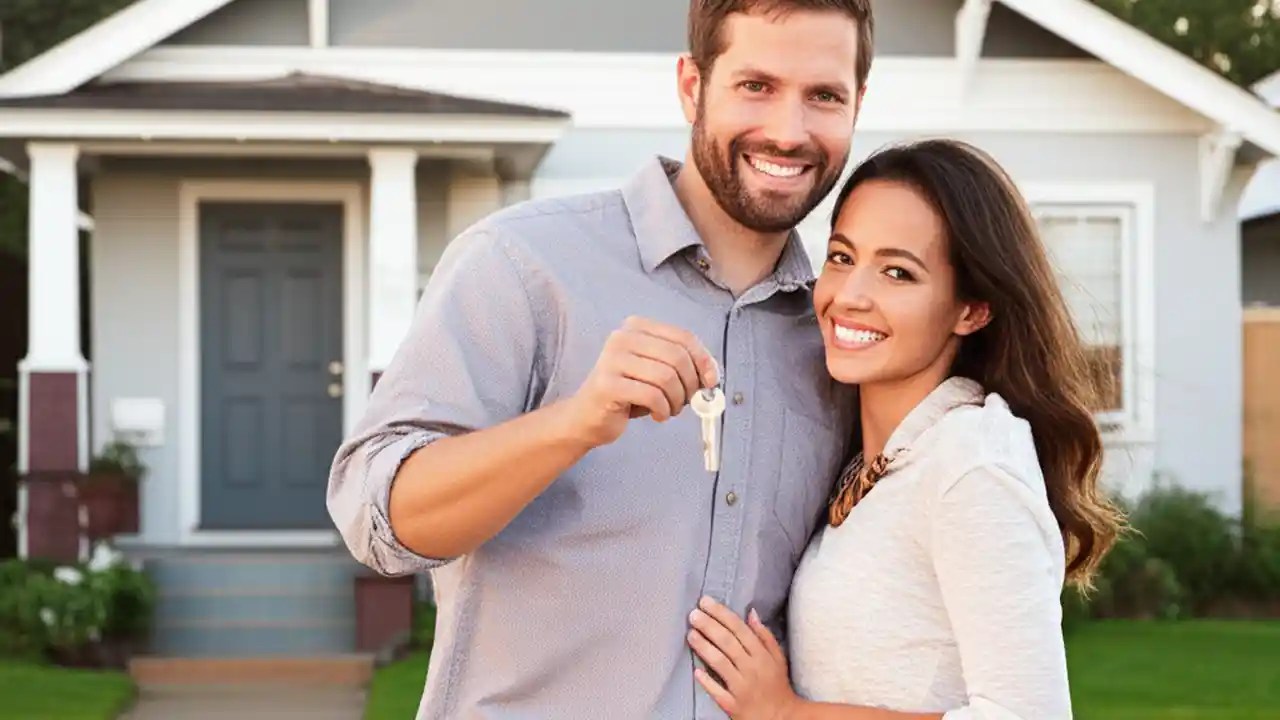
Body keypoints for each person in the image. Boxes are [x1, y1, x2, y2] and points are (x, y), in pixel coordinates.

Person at [325, 1, 874, 717]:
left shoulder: (838, 333)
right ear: (691, 85)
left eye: (824, 96)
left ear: (858, 104)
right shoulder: (523, 264)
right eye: (756, 86)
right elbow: (379, 524)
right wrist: (574, 422)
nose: (789, 131)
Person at [685, 139, 1126, 720]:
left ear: (972, 309)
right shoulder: (876, 457)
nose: (850, 296)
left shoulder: (971, 461)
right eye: (842, 257)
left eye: (897, 272)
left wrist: (786, 713)